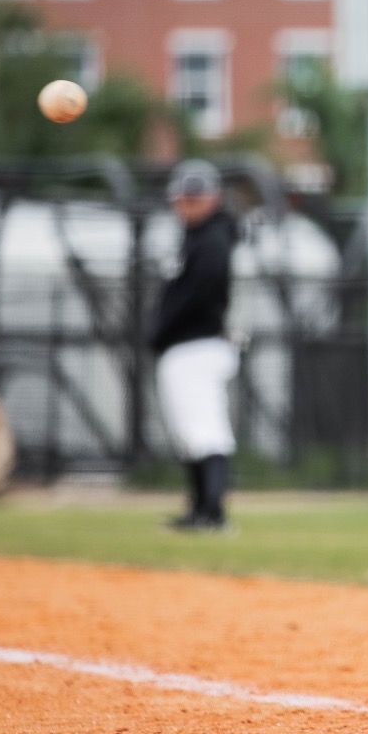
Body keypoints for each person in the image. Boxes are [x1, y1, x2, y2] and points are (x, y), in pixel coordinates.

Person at [151, 159, 239, 531]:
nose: (185, 205)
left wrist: (160, 329)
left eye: (194, 198)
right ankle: (200, 509)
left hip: (200, 346)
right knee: (188, 433)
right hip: (185, 348)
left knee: (206, 428)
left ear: (212, 199)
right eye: (182, 198)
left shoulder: (213, 242)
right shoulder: (195, 239)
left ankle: (213, 511)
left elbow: (196, 297)